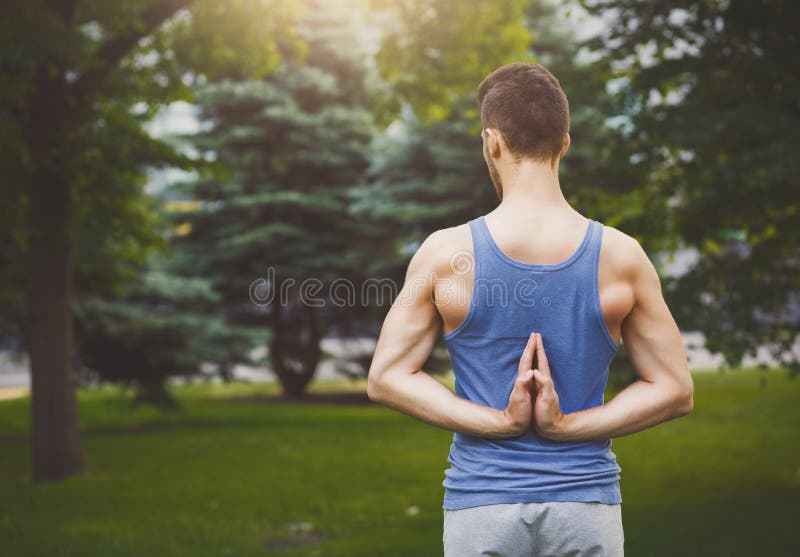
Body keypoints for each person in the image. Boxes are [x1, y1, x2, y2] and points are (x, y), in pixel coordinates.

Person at [366, 62, 694, 557]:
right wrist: (568, 427)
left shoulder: (443, 254)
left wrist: (497, 422)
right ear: (565, 143)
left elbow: (386, 377)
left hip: (482, 509)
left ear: (491, 142)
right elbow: (674, 389)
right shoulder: (622, 257)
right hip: (584, 510)